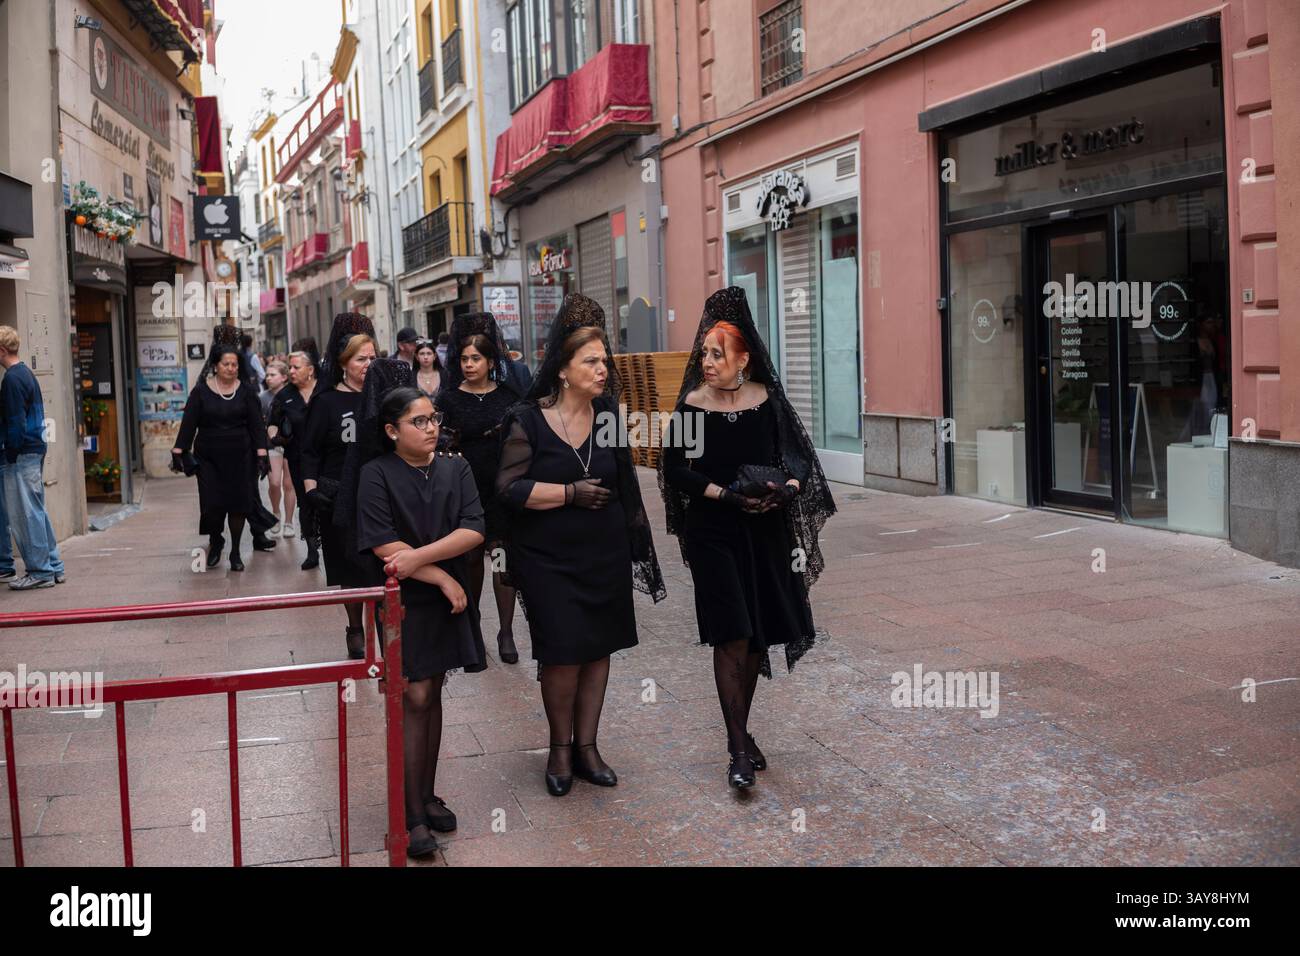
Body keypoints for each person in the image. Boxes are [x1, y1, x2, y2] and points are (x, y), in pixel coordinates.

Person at [658, 287, 836, 789]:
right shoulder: (692, 406)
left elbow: (798, 457)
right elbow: (675, 471)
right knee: (731, 632)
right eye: (705, 353)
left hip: (765, 531)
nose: (708, 362)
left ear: (743, 360)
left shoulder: (767, 402)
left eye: (718, 355)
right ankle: (737, 748)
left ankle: (741, 727)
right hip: (714, 530)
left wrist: (789, 489)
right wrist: (724, 496)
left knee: (757, 635)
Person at [496, 293, 666, 796]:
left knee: (597, 650)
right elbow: (508, 490)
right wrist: (569, 493)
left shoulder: (610, 413)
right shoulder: (526, 420)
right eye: (591, 361)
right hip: (548, 559)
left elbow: (625, 484)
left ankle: (589, 747)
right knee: (563, 653)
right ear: (564, 369)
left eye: (604, 361)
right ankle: (559, 750)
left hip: (603, 554)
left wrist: (632, 540)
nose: (602, 369)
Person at [338, 364, 486, 856]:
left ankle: (426, 793)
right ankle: (409, 812)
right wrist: (440, 573)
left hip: (444, 596)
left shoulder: (455, 467)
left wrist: (421, 560)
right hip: (405, 602)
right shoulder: (375, 474)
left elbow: (474, 528)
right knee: (414, 696)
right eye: (418, 421)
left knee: (434, 690)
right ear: (391, 430)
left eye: (432, 418)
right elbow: (383, 544)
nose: (430, 428)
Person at [437, 313, 523, 664]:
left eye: (476, 359)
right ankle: (473, 624)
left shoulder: (509, 396)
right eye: (464, 359)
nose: (469, 365)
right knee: (471, 558)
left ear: (491, 361)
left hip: (503, 489)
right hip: (465, 491)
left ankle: (506, 630)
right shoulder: (448, 399)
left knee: (502, 559)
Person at [300, 314, 377, 658]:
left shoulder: (384, 398)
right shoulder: (326, 402)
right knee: (349, 567)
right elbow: (309, 450)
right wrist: (311, 490)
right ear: (345, 364)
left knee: (380, 564)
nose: (368, 365)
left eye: (373, 358)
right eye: (361, 359)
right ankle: (355, 627)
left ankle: (387, 628)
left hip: (378, 494)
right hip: (337, 493)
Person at [172, 326, 271, 572]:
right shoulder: (201, 392)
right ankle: (216, 540)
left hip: (241, 457)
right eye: (226, 364)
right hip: (209, 459)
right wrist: (179, 450)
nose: (231, 368)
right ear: (216, 365)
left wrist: (261, 454)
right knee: (212, 505)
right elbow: (189, 424)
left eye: (234, 365)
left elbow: (257, 425)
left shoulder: (247, 391)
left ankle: (236, 551)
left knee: (239, 504)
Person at [0, 325, 66, 590]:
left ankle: (39, 571)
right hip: (34, 449)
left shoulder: (12, 380)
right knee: (37, 512)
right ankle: (54, 566)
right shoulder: (27, 374)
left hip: (21, 453)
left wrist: (10, 453)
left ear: (2, 350)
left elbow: (15, 422)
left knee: (24, 516)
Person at [270, 351, 319, 566]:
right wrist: (275, 437)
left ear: (310, 370)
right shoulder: (284, 396)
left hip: (327, 458)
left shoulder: (325, 390)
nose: (291, 371)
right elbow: (272, 422)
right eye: (289, 367)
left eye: (296, 367)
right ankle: (311, 550)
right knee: (306, 503)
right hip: (298, 458)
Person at [260, 360, 296, 537]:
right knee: (274, 482)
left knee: (289, 483)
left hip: (290, 444)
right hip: (271, 444)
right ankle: (276, 514)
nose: (268, 378)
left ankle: (289, 522)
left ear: (283, 377)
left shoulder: (293, 395)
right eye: (267, 375)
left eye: (272, 375)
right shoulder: (263, 398)